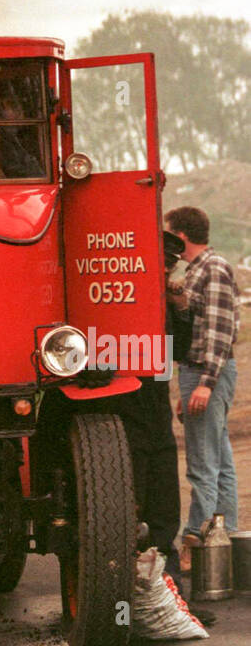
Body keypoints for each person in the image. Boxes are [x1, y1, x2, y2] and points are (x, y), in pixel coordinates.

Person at [166, 206, 241, 565]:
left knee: (202, 462)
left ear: (181, 236)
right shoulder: (198, 271)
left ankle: (194, 539)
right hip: (199, 372)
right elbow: (195, 319)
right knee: (221, 459)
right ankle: (228, 544)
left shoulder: (214, 268)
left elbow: (218, 331)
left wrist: (204, 384)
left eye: (169, 235)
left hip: (207, 370)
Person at [116, 230, 187, 586]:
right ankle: (128, 592)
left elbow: (181, 350)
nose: (168, 272)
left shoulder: (161, 301)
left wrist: (179, 304)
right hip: (126, 418)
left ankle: (168, 590)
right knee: (130, 508)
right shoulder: (119, 299)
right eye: (165, 265)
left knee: (164, 509)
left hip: (156, 416)